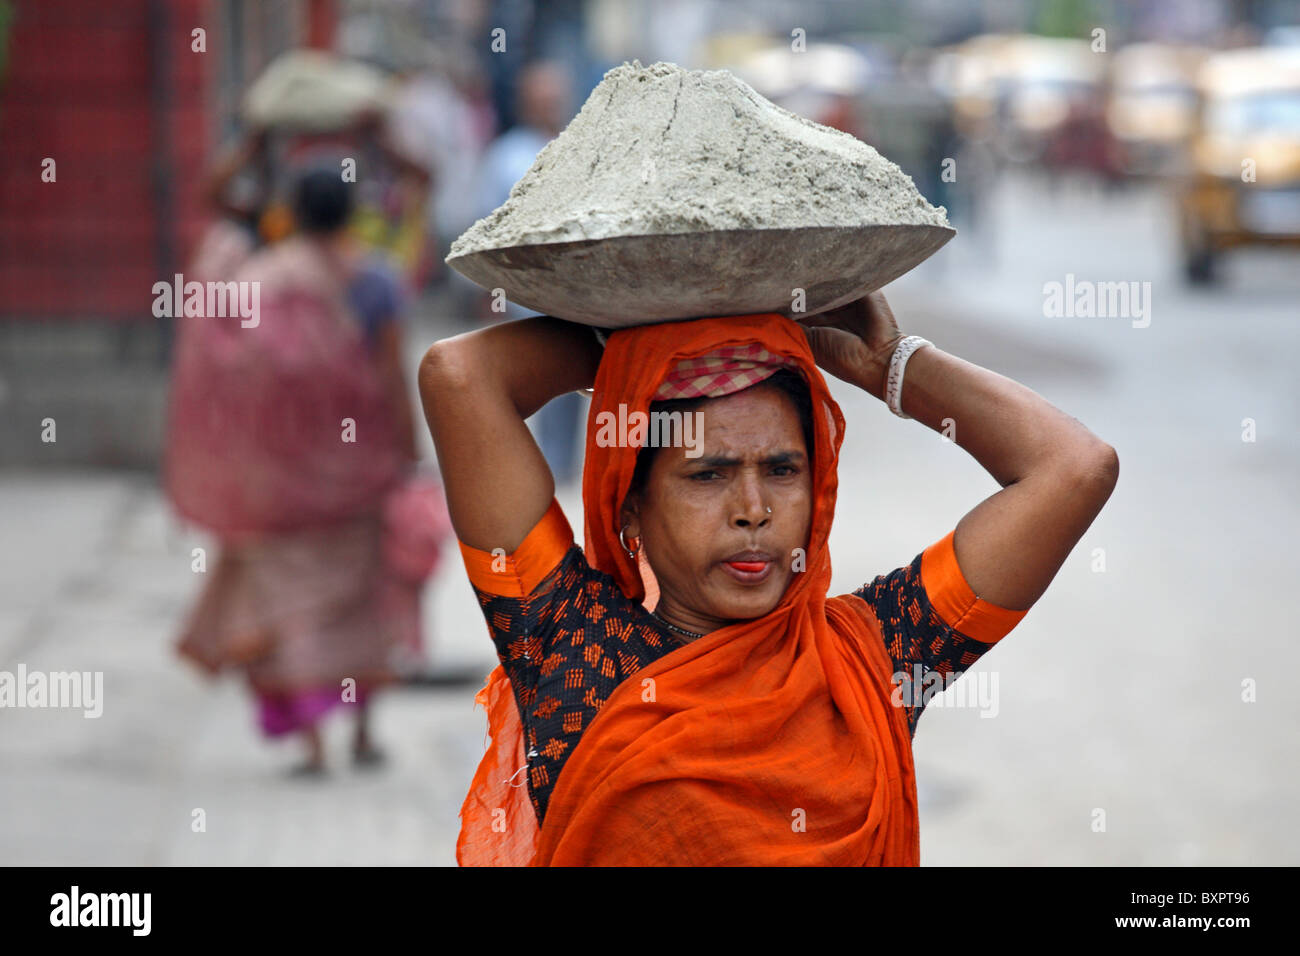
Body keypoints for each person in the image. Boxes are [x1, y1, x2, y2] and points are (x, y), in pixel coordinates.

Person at [417, 293, 1118, 864]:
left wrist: (887, 364)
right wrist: (650, 343)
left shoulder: (874, 660)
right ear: (631, 503)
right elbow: (459, 376)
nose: (753, 511)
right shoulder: (570, 645)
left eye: (782, 471)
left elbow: (1075, 467)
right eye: (707, 475)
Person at [167, 165, 437, 777]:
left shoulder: (261, 280)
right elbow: (392, 378)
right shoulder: (376, 281)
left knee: (290, 604)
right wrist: (407, 451)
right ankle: (364, 734)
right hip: (359, 466)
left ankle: (314, 745)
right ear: (352, 212)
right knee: (364, 599)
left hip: (276, 478)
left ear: (292, 210)